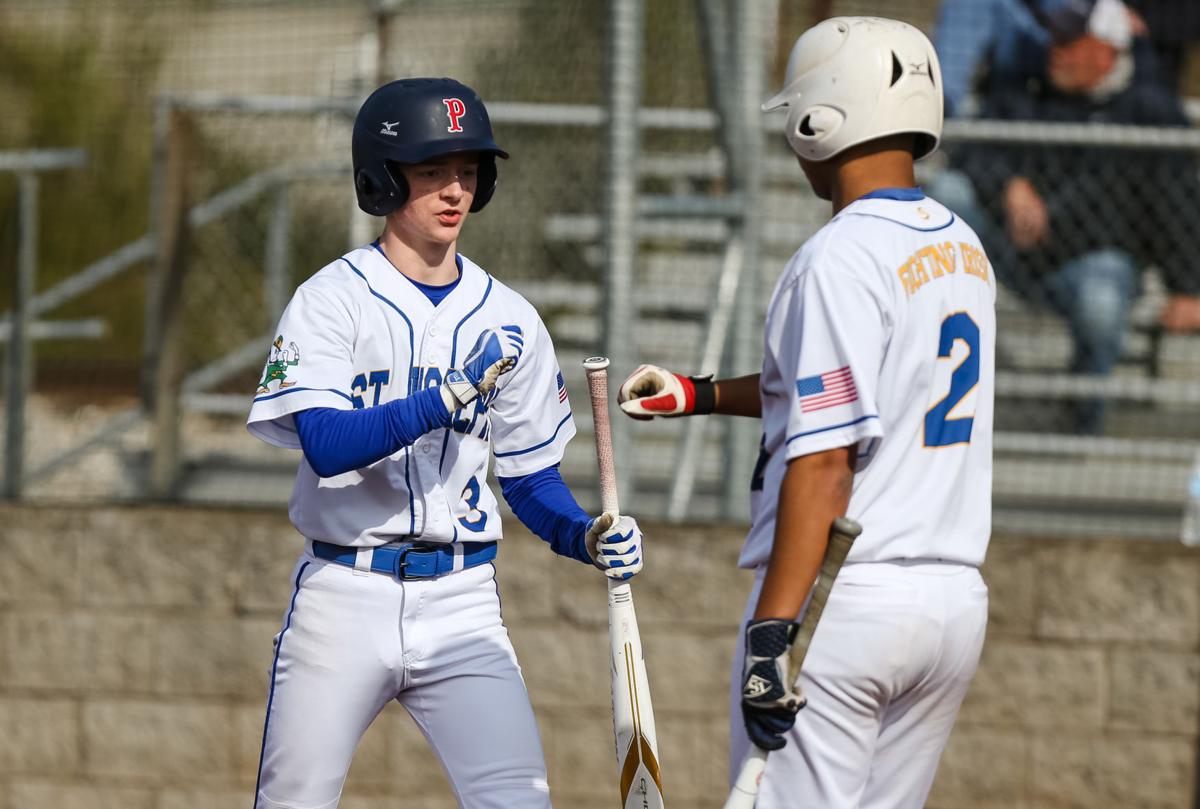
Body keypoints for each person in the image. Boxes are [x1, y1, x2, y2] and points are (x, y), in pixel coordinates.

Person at [618, 18, 995, 808]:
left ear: (818, 122)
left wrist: (772, 632)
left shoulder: (839, 255)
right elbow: (860, 390)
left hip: (846, 602)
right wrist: (703, 393)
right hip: (950, 607)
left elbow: (825, 460)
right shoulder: (963, 245)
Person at [245, 77, 643, 809]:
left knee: (519, 801)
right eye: (432, 170)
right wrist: (444, 397)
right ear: (382, 177)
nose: (454, 189)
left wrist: (584, 533)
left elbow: (528, 481)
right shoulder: (331, 298)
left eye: (467, 171)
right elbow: (326, 444)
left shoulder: (511, 317)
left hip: (463, 600)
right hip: (344, 592)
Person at [950, 0, 1200, 432]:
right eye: (1056, 37)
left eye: (1070, 41)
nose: (1056, 49)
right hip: (1008, 249)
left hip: (1088, 264)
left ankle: (1081, 421)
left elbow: (1177, 203)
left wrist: (1188, 287)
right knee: (948, 193)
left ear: (1107, 50)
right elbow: (970, 152)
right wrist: (1008, 185)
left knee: (1101, 298)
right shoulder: (1027, 84)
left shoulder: (1150, 110)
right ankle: (945, 385)